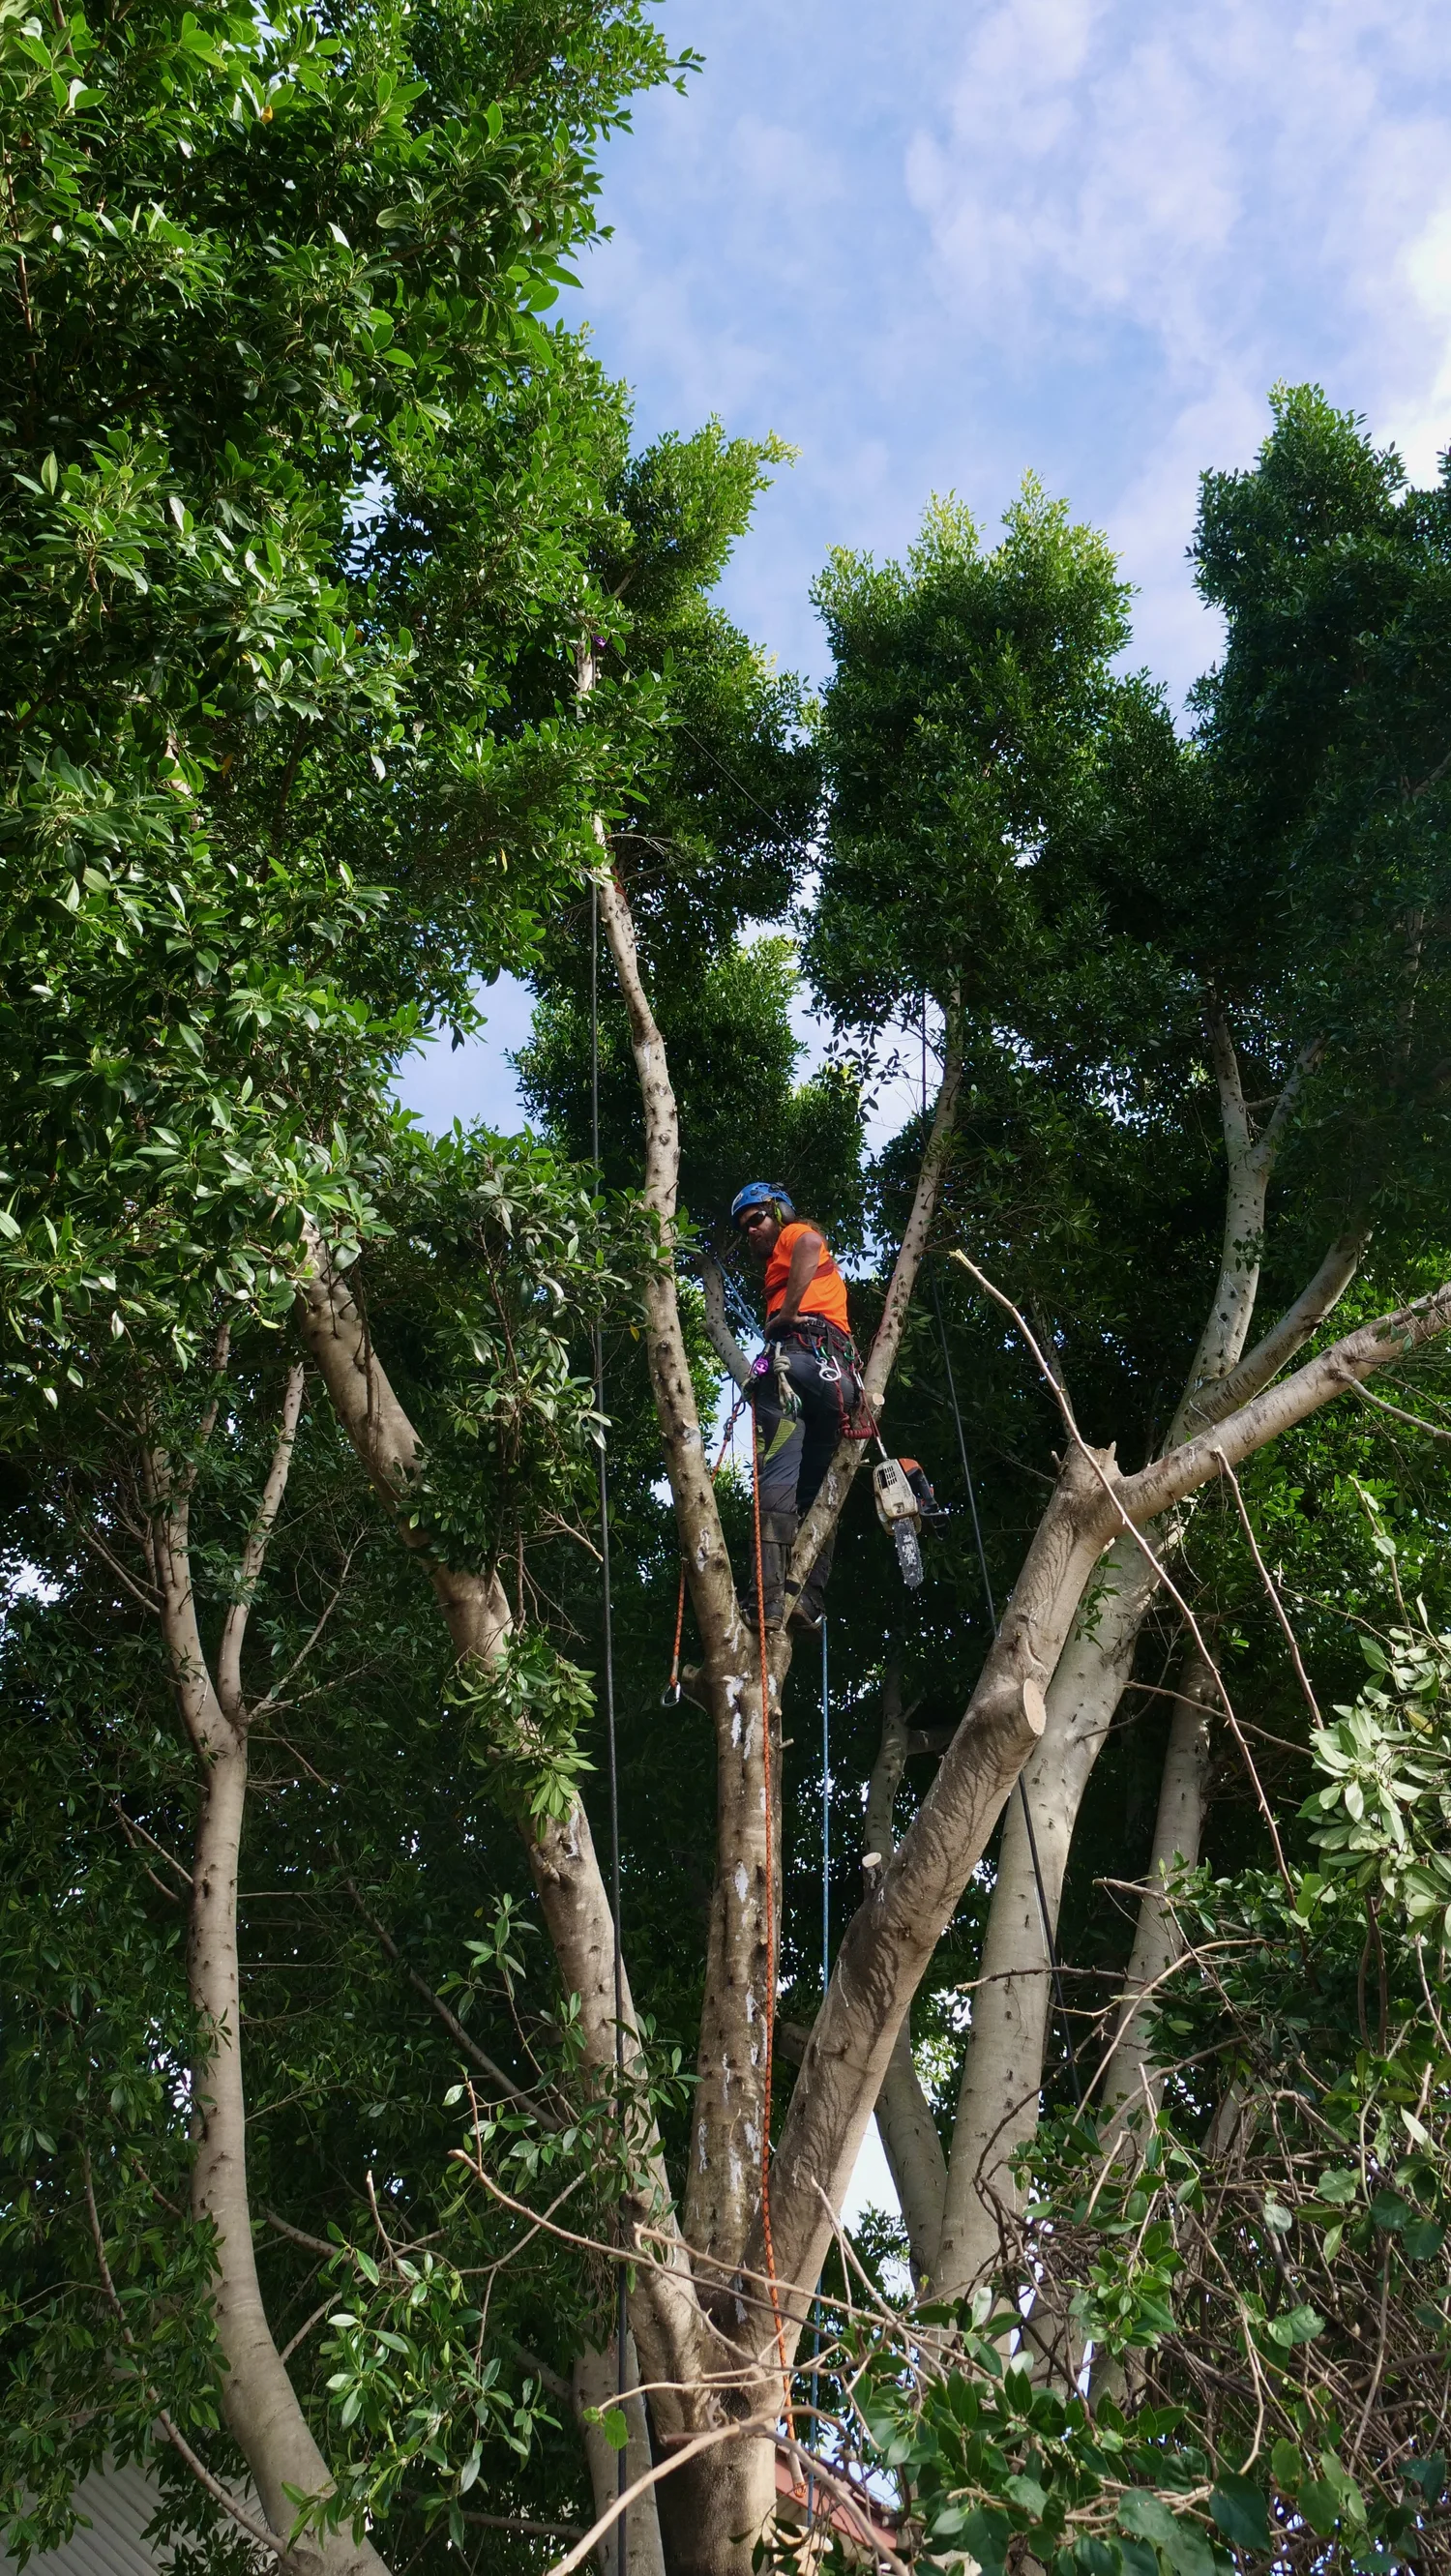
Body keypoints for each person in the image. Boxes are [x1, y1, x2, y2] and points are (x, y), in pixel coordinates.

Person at [730, 1182, 862, 1632]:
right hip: (835, 1386)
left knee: (777, 1482)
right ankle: (806, 1600)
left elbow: (809, 1241)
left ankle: (765, 1602)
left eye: (756, 1218)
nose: (751, 1230)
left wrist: (784, 1315)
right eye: (744, 1226)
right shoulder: (794, 1270)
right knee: (818, 1491)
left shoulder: (794, 1234)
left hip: (797, 1370)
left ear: (778, 1212)